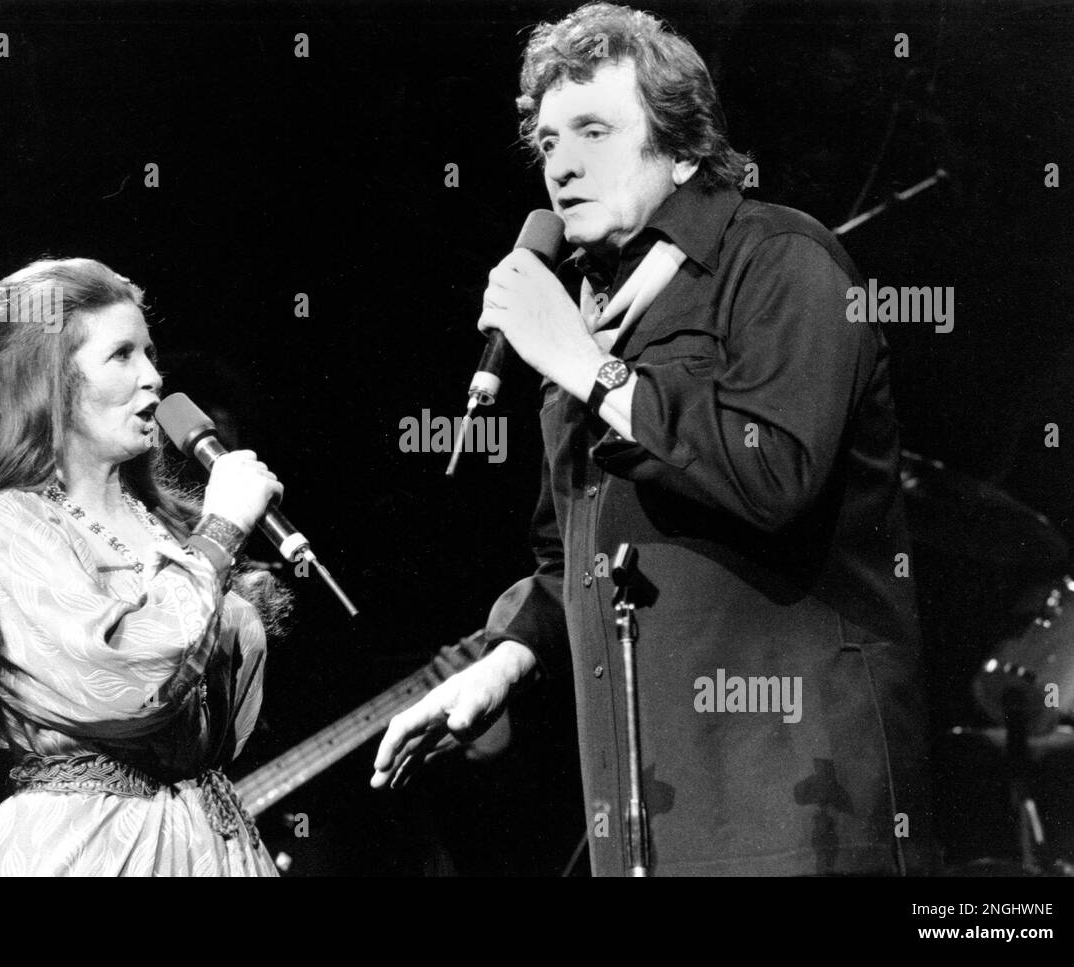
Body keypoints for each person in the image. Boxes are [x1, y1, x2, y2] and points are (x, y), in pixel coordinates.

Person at [372, 2, 935, 876]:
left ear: (681, 148)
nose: (561, 164)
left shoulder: (783, 259)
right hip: (643, 815)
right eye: (549, 140)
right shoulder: (593, 320)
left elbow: (775, 472)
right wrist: (504, 662)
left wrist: (584, 369)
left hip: (794, 807)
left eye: (593, 129)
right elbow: (573, 560)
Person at [0, 257, 289, 876]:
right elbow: (125, 682)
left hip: (210, 837)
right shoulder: (9, 524)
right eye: (123, 356)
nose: (154, 378)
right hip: (93, 848)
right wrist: (220, 533)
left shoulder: (165, 526)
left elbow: (224, 719)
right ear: (52, 382)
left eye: (150, 352)